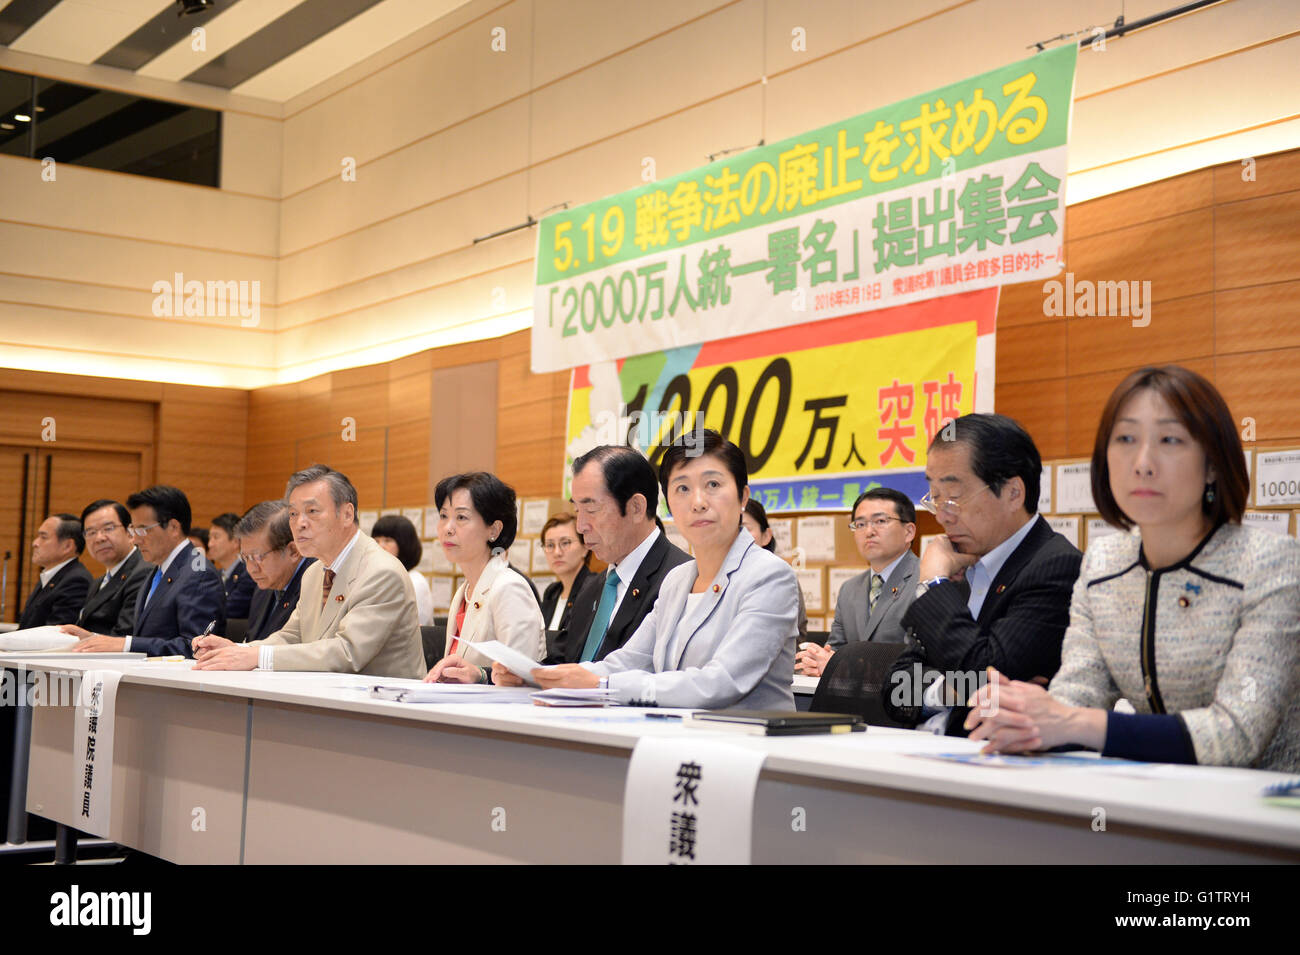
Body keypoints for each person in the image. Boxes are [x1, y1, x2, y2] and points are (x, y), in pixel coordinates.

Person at [966, 366, 1300, 771]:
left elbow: (1238, 735)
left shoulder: (1270, 563)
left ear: (1213, 464)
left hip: (1265, 817)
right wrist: (1027, 713)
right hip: (1149, 807)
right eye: (1125, 439)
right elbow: (1079, 694)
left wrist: (1070, 721)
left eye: (1170, 439)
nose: (1143, 462)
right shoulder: (1103, 565)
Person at [498, 430, 798, 710]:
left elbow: (721, 682)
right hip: (674, 741)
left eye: (713, 485)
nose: (697, 502)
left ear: (743, 497)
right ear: (668, 503)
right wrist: (538, 677)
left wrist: (603, 685)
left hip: (747, 749)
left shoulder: (769, 576)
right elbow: (627, 661)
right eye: (682, 488)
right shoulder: (677, 580)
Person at [883, 414, 1082, 735]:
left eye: (953, 497)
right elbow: (894, 690)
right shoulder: (958, 561)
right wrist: (949, 691)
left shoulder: (1057, 567)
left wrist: (934, 586)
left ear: (1013, 492)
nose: (943, 515)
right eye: (934, 498)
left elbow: (991, 675)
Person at [192, 465, 425, 678]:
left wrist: (255, 657)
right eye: (293, 514)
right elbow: (292, 637)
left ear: (346, 514)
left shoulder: (381, 572)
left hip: (383, 714)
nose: (299, 523)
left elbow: (347, 652)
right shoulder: (314, 573)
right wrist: (238, 650)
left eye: (312, 511)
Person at [549, 445, 690, 664]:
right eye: (577, 511)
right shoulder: (592, 588)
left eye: (591, 510)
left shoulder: (681, 579)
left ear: (635, 507)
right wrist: (508, 674)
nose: (580, 526)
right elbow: (565, 661)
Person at [66, 485, 226, 656]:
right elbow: (146, 636)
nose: (135, 539)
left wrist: (126, 644)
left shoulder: (199, 573)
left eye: (142, 530)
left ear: (173, 527)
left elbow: (196, 646)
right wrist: (94, 639)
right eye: (134, 530)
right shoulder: (159, 569)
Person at [424, 472, 545, 683]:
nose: (447, 528)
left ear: (494, 529)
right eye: (444, 516)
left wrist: (480, 675)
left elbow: (520, 678)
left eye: (461, 517)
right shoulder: (465, 591)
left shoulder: (509, 587)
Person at [796, 488, 919, 677]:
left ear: (909, 531)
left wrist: (842, 667)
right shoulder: (849, 589)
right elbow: (835, 651)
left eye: (880, 521)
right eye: (860, 524)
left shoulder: (925, 580)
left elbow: (916, 660)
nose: (869, 531)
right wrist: (817, 662)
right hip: (850, 701)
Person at [236, 501, 315, 644]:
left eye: (258, 557)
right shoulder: (264, 587)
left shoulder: (316, 585)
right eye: (245, 557)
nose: (251, 569)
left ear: (293, 551)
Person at [73, 499, 151, 636]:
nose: (99, 538)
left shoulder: (143, 572)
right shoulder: (99, 582)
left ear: (130, 531)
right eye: (91, 532)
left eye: (108, 529)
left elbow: (125, 636)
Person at [742, 497, 807, 644]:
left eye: (745, 529)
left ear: (766, 536)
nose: (738, 536)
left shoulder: (779, 577)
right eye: (732, 528)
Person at [19, 513, 92, 629]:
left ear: (67, 546)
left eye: (44, 537)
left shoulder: (76, 581)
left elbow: (56, 634)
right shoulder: (52, 576)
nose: (35, 543)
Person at [371, 514, 434, 626]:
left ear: (404, 544)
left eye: (387, 540)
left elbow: (413, 629)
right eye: (376, 540)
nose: (380, 546)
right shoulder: (375, 579)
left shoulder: (415, 581)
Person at [538, 512, 593, 634]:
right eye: (550, 545)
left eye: (565, 543)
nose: (557, 552)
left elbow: (571, 642)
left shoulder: (593, 588)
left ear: (585, 547)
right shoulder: (552, 592)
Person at [210, 511, 257, 620]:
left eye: (215, 537)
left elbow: (226, 611)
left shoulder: (248, 573)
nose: (210, 544)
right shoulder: (215, 574)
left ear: (235, 542)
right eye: (210, 538)